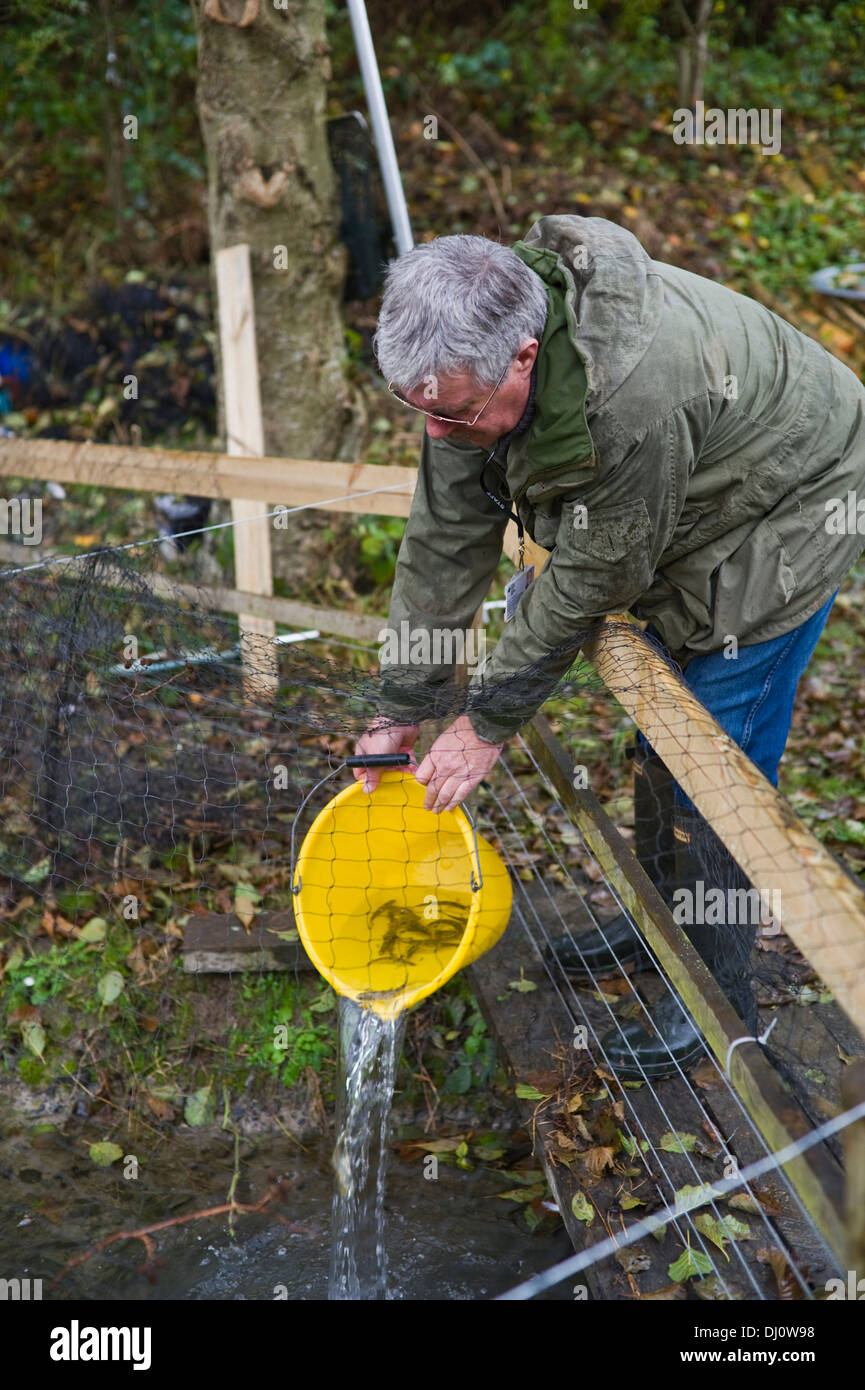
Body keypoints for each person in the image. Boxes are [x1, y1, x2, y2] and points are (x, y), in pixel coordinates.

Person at [353, 215, 865, 1077]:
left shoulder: (635, 395)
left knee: (714, 754)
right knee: (654, 736)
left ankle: (712, 1003)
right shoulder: (460, 374)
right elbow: (446, 537)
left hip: (794, 501)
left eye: (454, 414)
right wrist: (399, 707)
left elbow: (592, 579)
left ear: (524, 356)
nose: (435, 433)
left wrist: (484, 724)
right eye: (419, 411)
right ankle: (659, 922)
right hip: (687, 484)